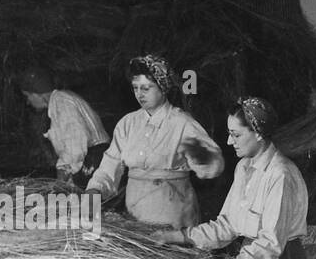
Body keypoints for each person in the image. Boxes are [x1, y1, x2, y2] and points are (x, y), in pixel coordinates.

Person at [153, 97, 308, 259]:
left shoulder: (280, 174)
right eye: (229, 133)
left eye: (236, 135)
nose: (229, 141)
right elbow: (227, 226)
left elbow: (270, 244)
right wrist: (177, 236)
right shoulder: (243, 167)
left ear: (258, 133)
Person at [86, 54, 223, 228]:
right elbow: (111, 163)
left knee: (171, 252)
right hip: (136, 210)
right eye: (135, 88)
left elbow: (213, 167)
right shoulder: (128, 123)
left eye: (146, 88)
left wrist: (202, 157)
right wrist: (95, 189)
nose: (139, 94)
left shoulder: (182, 123)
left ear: (163, 88)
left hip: (173, 211)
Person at [17, 66, 109, 186]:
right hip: (94, 158)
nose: (27, 102)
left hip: (95, 159)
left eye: (27, 96)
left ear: (38, 94)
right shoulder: (59, 102)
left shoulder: (62, 103)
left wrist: (61, 178)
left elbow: (75, 145)